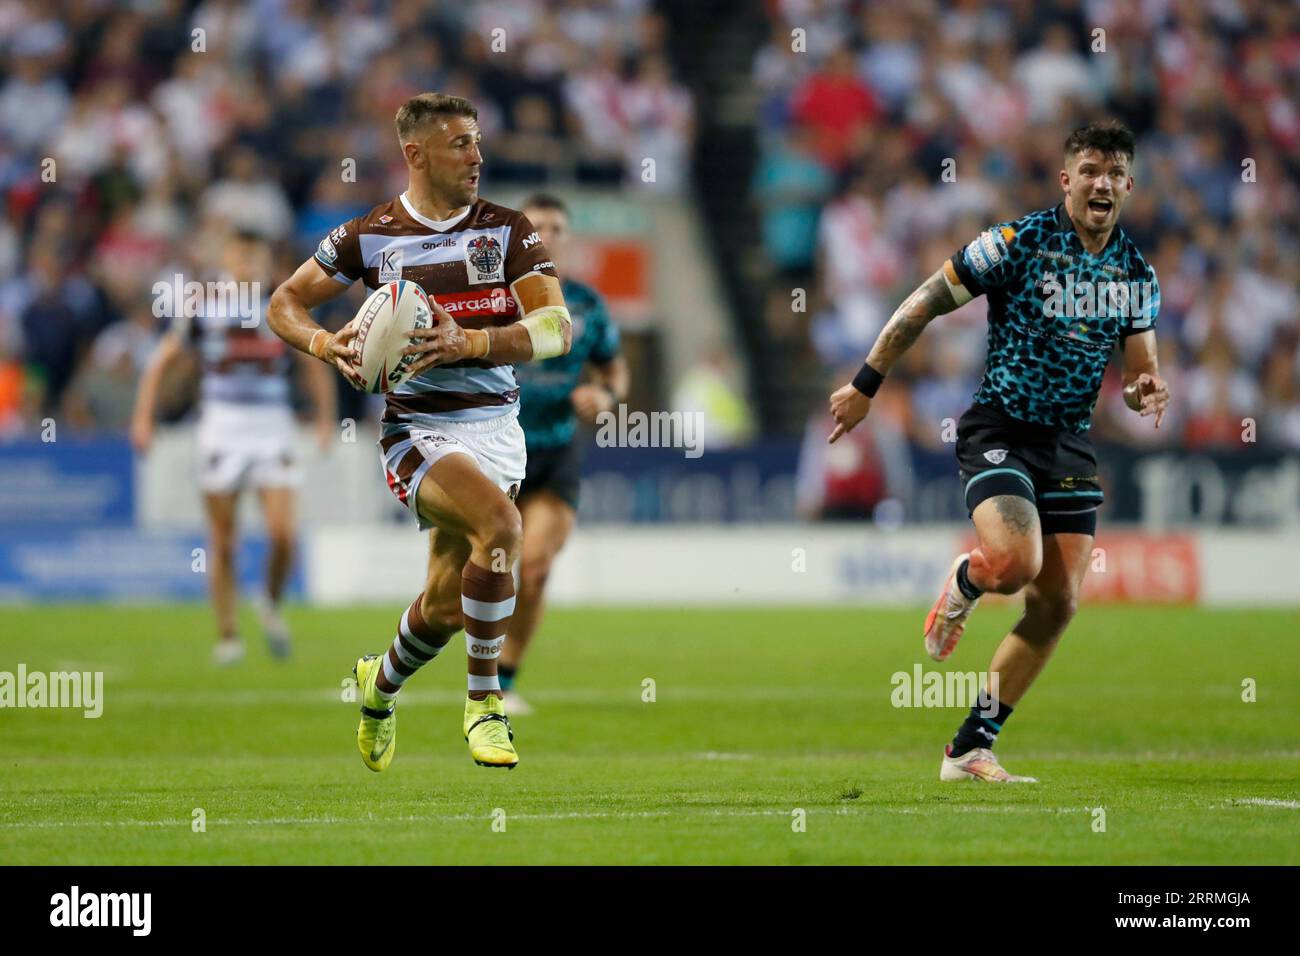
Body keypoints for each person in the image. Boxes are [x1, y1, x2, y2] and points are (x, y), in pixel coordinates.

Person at [827, 121, 1169, 783]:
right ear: (1066, 179)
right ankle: (967, 580)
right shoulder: (1016, 243)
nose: (1102, 182)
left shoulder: (1135, 273)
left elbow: (1138, 374)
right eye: (1089, 170)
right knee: (1014, 565)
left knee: (1058, 604)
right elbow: (925, 301)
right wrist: (867, 383)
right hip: (999, 431)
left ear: (1128, 184)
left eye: (1114, 172)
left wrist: (1146, 389)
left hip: (1068, 445)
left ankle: (969, 748)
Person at [267, 93, 572, 771]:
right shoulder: (368, 236)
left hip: (497, 428)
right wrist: (324, 344)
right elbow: (283, 302)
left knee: (448, 604)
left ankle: (378, 688)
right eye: (461, 143)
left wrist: (473, 344)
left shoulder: (509, 230)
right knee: (501, 528)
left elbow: (557, 327)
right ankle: (485, 703)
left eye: (478, 142)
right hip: (418, 432)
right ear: (416, 154)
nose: (477, 157)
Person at [131, 229, 335, 665]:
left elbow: (314, 363)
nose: (248, 267)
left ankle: (270, 602)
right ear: (227, 260)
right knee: (223, 541)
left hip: (272, 425)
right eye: (240, 257)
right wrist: (143, 417)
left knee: (283, 534)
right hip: (221, 426)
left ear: (265, 263)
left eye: (255, 259)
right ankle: (228, 636)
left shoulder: (280, 307)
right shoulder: (203, 307)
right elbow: (161, 361)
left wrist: (325, 419)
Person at [498, 193, 628, 715]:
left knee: (533, 570)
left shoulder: (589, 306)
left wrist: (607, 396)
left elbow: (614, 368)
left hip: (554, 451)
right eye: (537, 227)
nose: (547, 236)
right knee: (471, 576)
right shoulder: (493, 298)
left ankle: (501, 681)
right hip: (490, 452)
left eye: (557, 227)